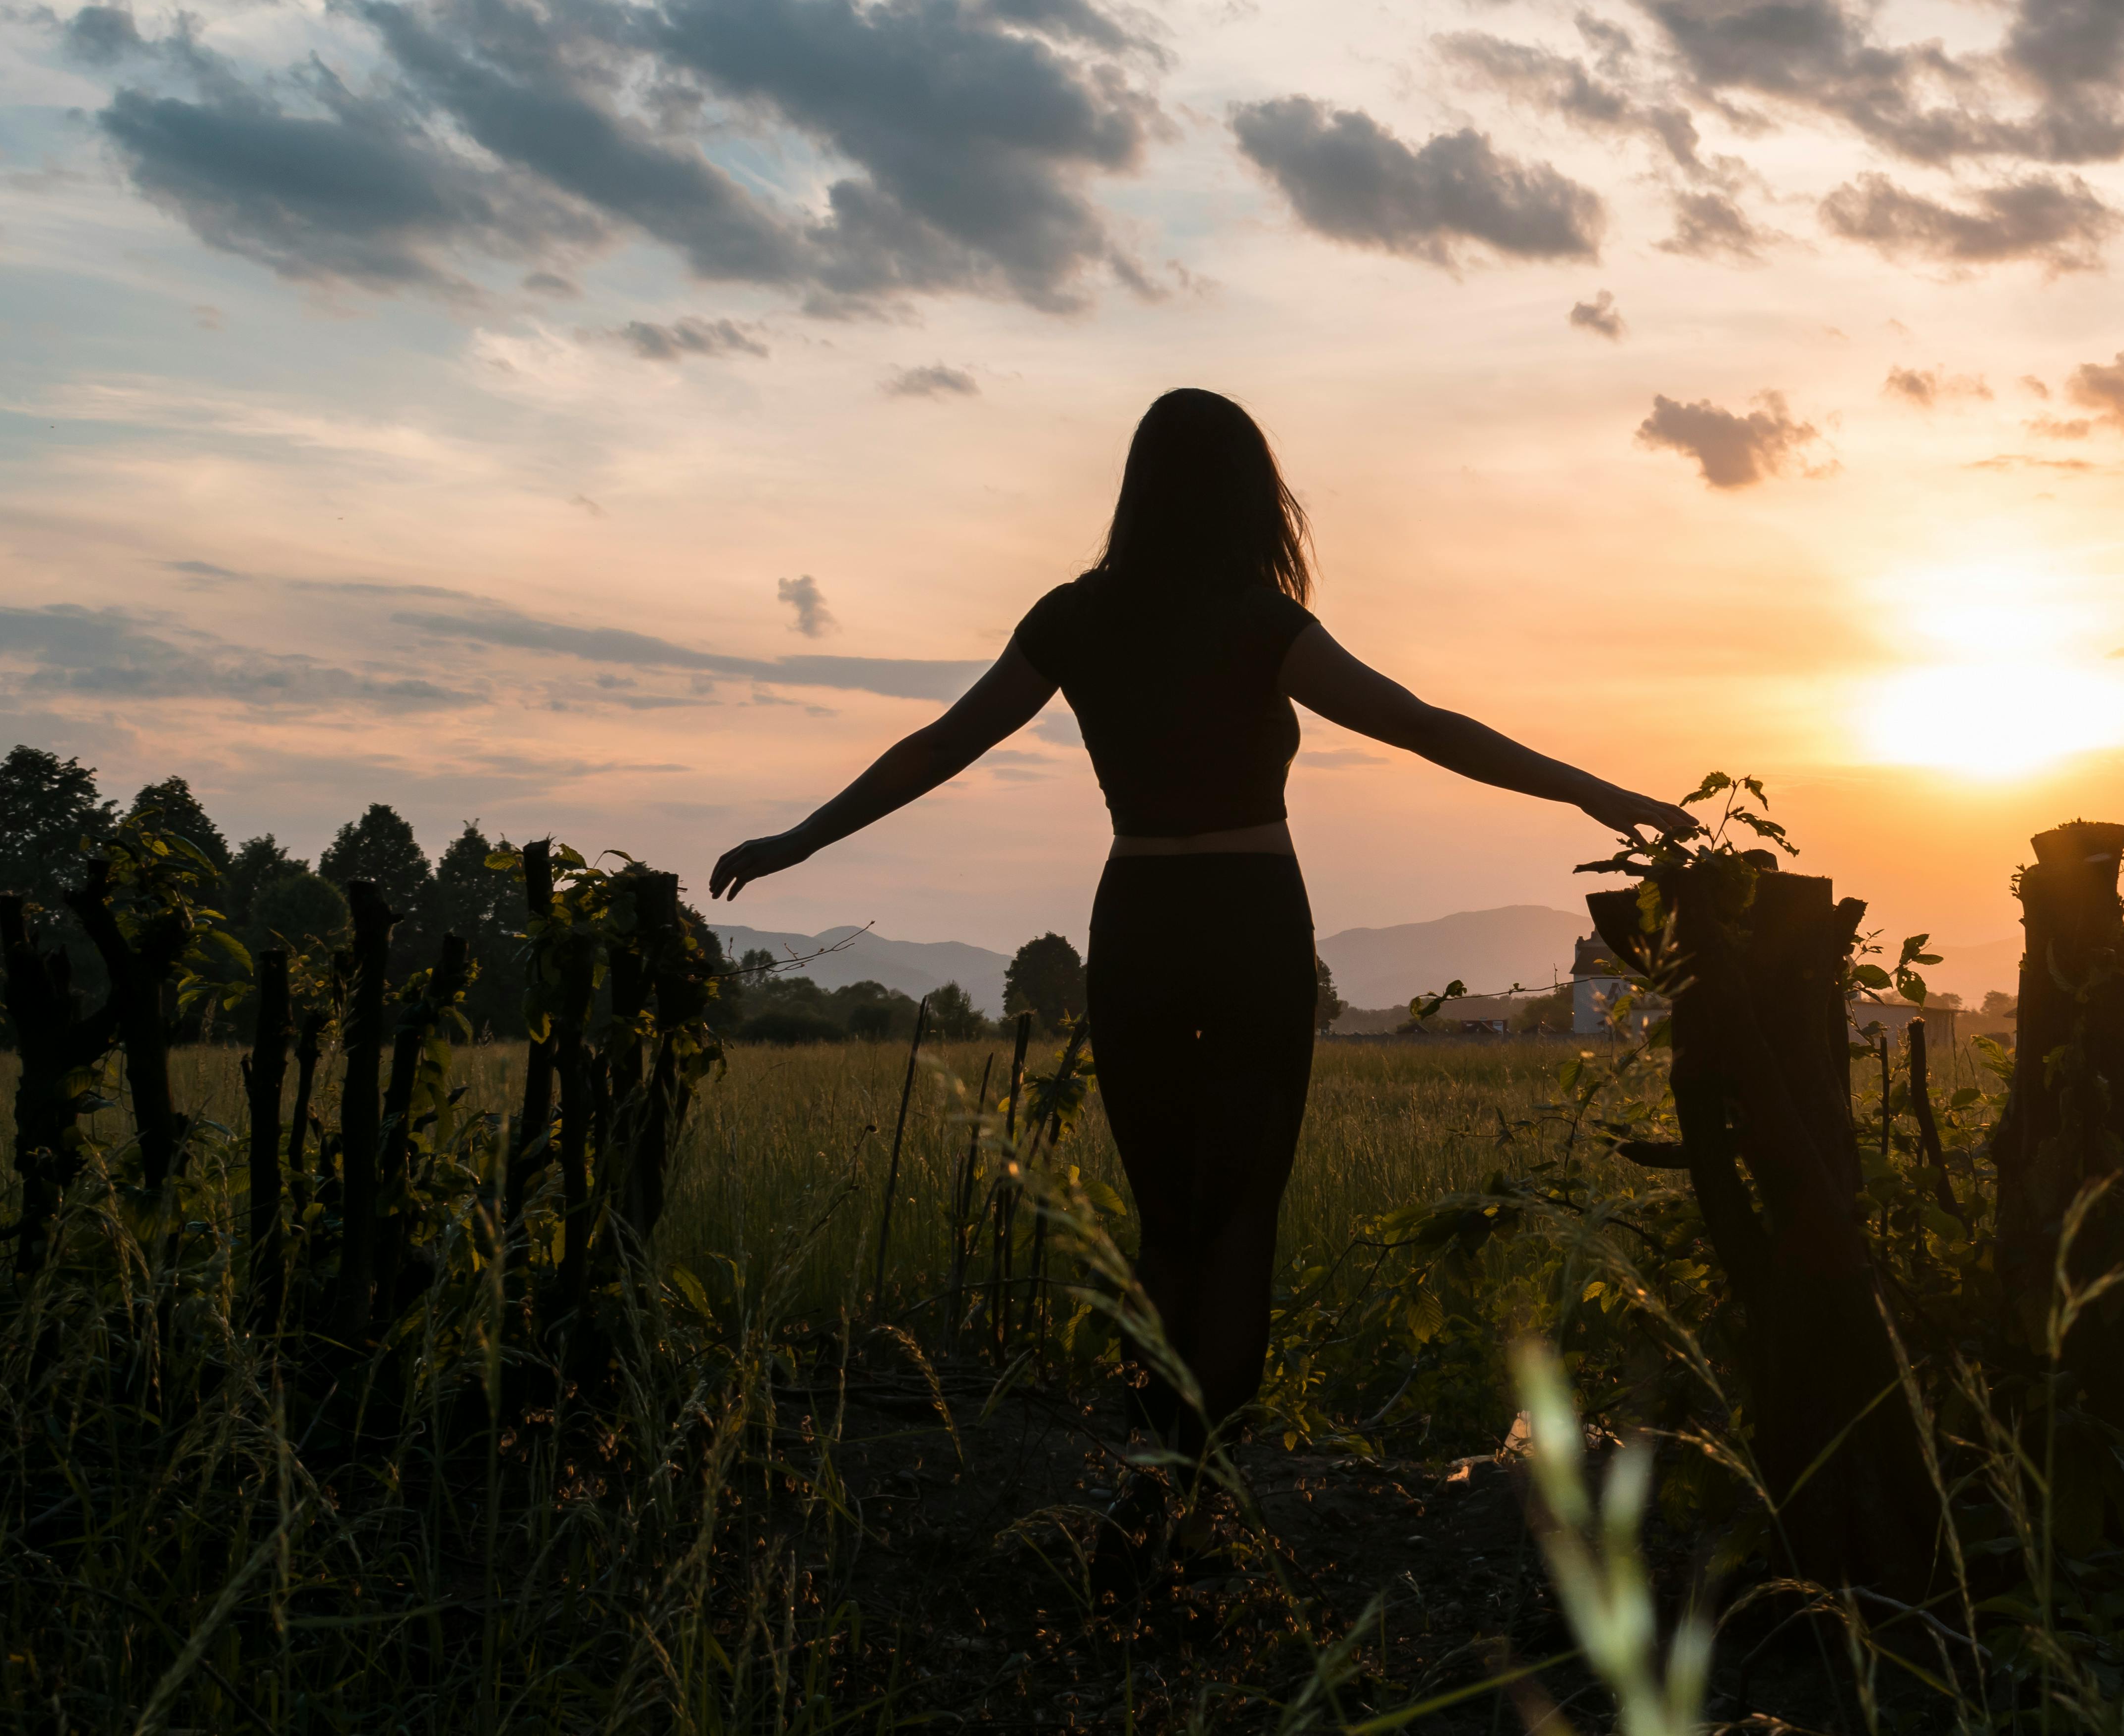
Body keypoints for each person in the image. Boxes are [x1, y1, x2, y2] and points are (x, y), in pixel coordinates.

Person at [708, 387, 1694, 1551]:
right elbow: (1421, 722)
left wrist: (797, 841)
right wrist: (1593, 789)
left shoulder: (1074, 618)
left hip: (1138, 922)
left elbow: (937, 747)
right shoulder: (1254, 617)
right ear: (1245, 495)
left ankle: (1155, 1471)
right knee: (1237, 1213)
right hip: (1248, 919)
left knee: (1166, 1216)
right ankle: (1196, 1475)